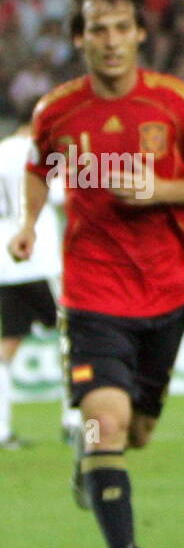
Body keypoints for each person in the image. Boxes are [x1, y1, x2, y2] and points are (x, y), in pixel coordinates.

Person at [6, 0, 184, 548]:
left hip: (166, 292)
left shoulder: (178, 103)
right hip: (92, 292)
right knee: (107, 421)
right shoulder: (57, 112)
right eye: (97, 29)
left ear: (139, 34)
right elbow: (37, 170)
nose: (110, 40)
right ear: (80, 39)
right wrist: (27, 223)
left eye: (121, 28)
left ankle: (91, 463)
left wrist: (162, 190)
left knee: (136, 433)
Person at [0, 119, 83, 449]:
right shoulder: (41, 153)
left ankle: (2, 430)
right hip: (41, 257)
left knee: (7, 346)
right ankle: (73, 421)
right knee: (75, 335)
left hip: (5, 262)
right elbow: (66, 197)